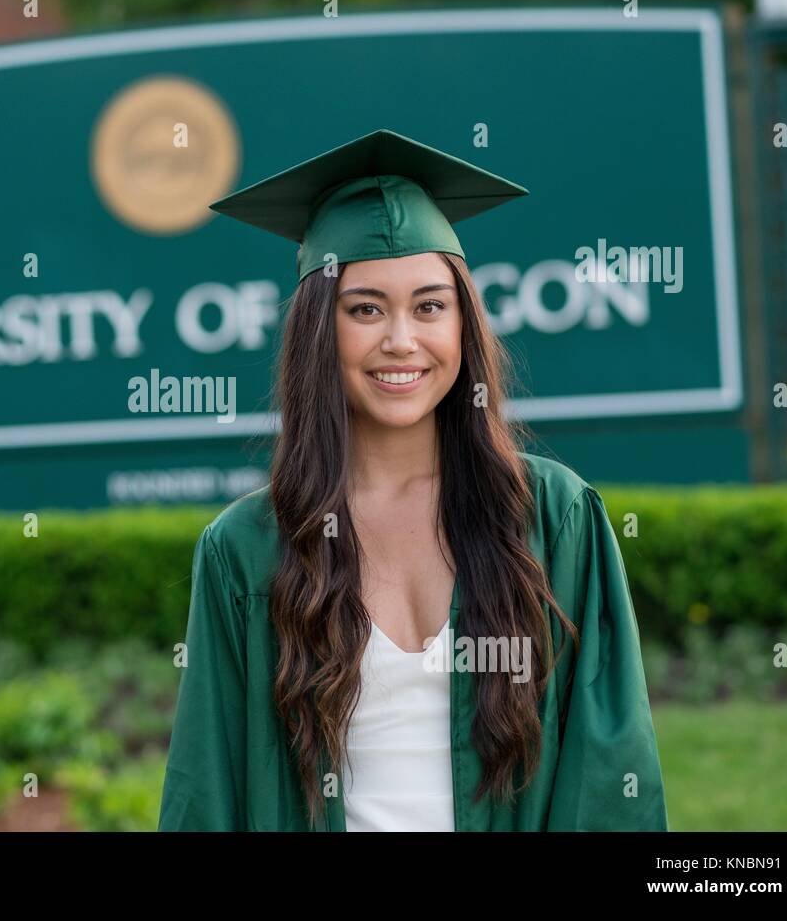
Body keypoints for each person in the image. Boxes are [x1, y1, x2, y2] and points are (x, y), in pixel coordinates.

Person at [157, 130, 669, 832]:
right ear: (319, 330)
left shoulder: (552, 514)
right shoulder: (248, 548)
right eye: (366, 308)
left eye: (430, 306)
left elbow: (609, 767)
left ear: (464, 326)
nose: (401, 339)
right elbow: (206, 785)